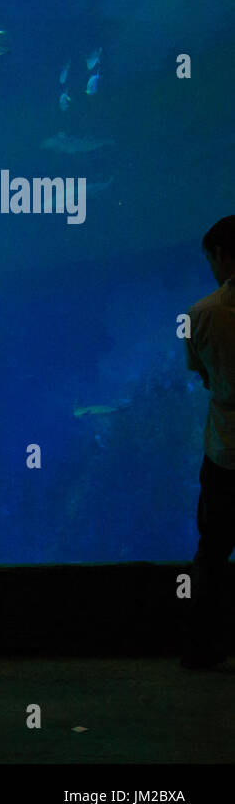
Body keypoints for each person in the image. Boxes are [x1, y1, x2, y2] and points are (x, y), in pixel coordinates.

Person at [182, 216, 235, 669]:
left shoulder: (199, 315)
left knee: (212, 552)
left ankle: (203, 647)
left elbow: (200, 375)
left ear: (221, 254)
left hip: (226, 451)